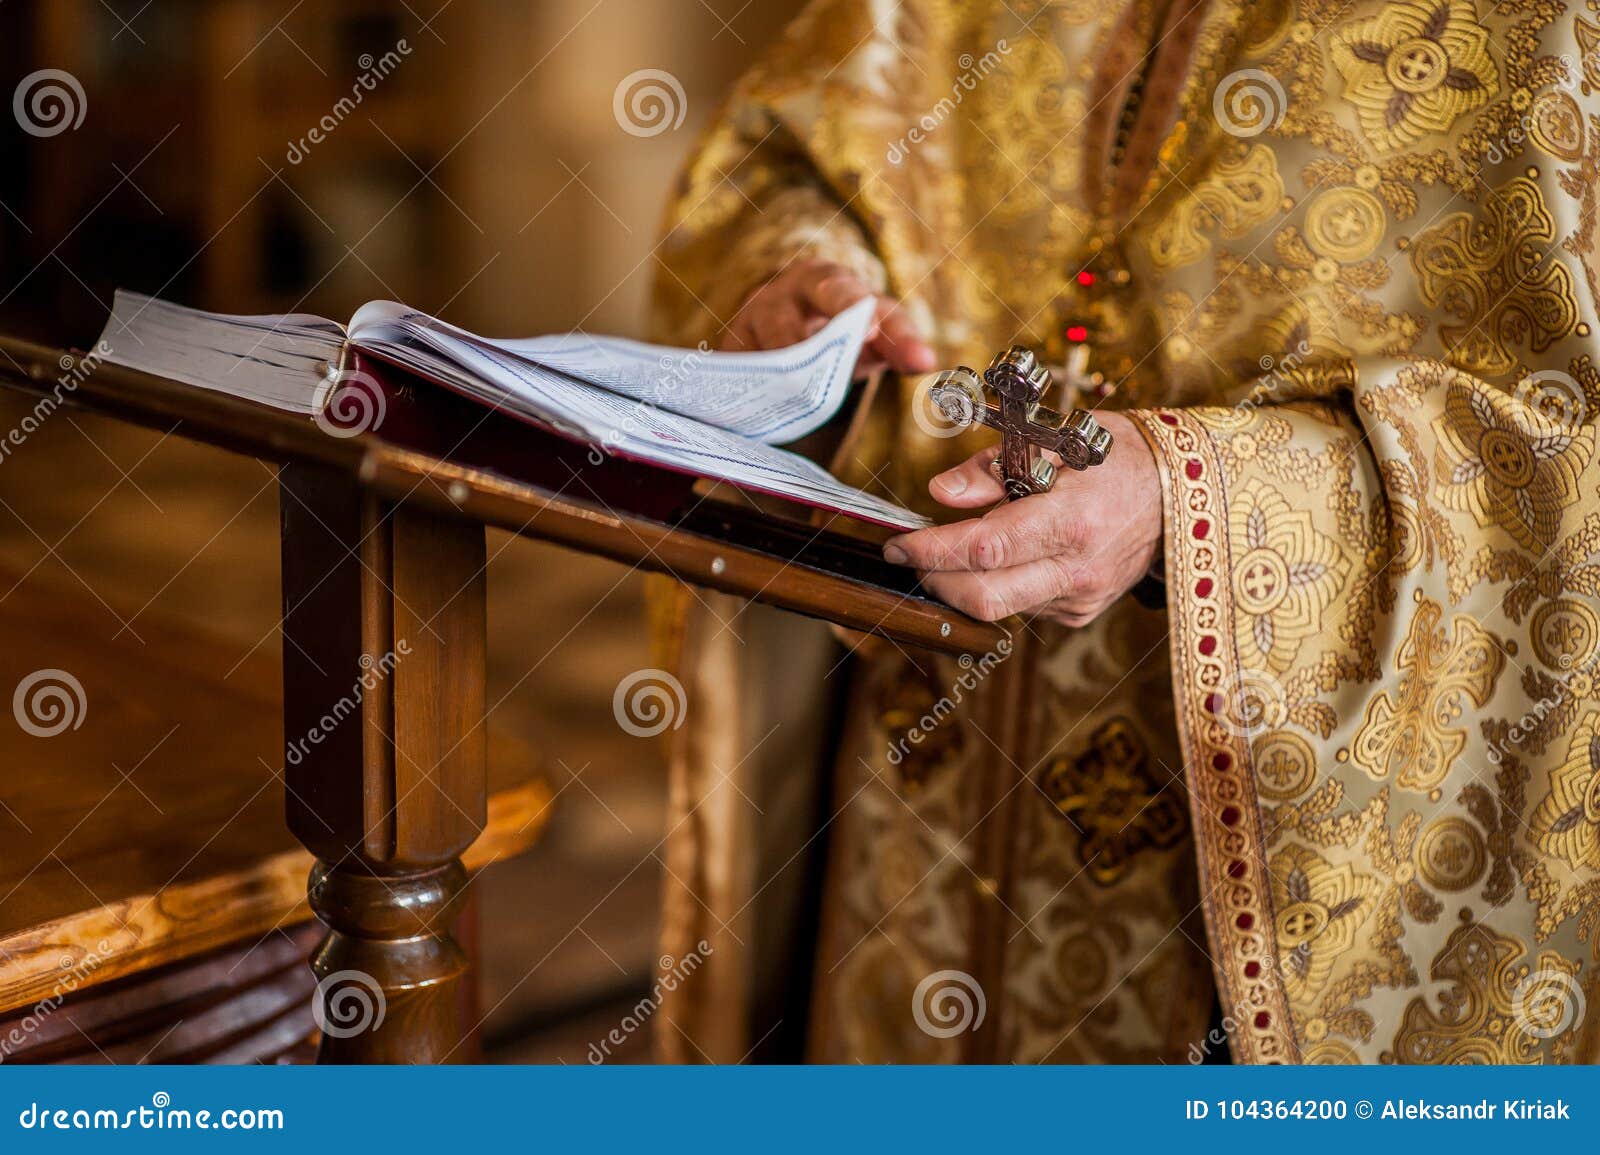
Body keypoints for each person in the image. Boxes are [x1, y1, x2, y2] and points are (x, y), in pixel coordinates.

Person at [649, 0, 1600, 1063]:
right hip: (909, 818)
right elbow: (787, 160)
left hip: (1229, 868)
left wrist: (1207, 498)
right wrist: (794, 287)